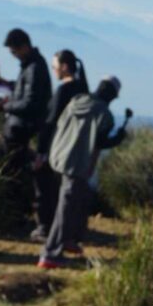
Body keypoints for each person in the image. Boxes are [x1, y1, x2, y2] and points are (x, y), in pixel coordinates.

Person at [38, 75, 128, 269]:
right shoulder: (103, 113)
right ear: (112, 94)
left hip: (58, 157)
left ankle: (68, 239)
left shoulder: (76, 101)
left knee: (77, 199)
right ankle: (50, 253)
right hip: (76, 164)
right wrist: (119, 137)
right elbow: (102, 142)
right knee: (67, 207)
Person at [30, 49, 89, 242]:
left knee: (45, 189)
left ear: (64, 67)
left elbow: (50, 121)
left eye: (55, 66)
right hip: (74, 151)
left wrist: (41, 151)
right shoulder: (82, 89)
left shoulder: (63, 90)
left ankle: (45, 228)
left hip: (55, 148)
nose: (54, 70)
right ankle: (65, 232)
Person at [0, 28, 51, 221]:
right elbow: (25, 92)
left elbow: (30, 102)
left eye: (14, 51)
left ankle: (16, 214)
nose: (13, 55)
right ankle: (17, 212)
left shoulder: (34, 67)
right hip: (20, 127)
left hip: (20, 128)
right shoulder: (31, 65)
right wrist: (4, 84)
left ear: (24, 47)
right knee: (15, 171)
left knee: (14, 172)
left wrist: (6, 106)